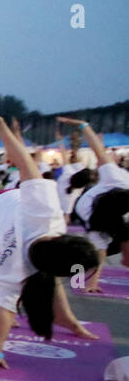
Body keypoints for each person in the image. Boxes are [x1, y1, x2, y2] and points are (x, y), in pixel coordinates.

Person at [0, 112, 100, 368]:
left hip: (9, 207)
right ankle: (66, 318)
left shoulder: (47, 214)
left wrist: (1, 126)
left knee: (27, 283)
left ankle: (67, 319)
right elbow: (4, 313)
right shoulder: (11, 267)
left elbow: (25, 163)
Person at [58, 117, 129, 292]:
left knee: (112, 245)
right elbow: (99, 151)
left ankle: (124, 260)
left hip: (106, 208)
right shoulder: (116, 177)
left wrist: (84, 126)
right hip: (91, 210)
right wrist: (83, 126)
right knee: (96, 251)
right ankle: (78, 276)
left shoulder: (117, 177)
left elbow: (99, 151)